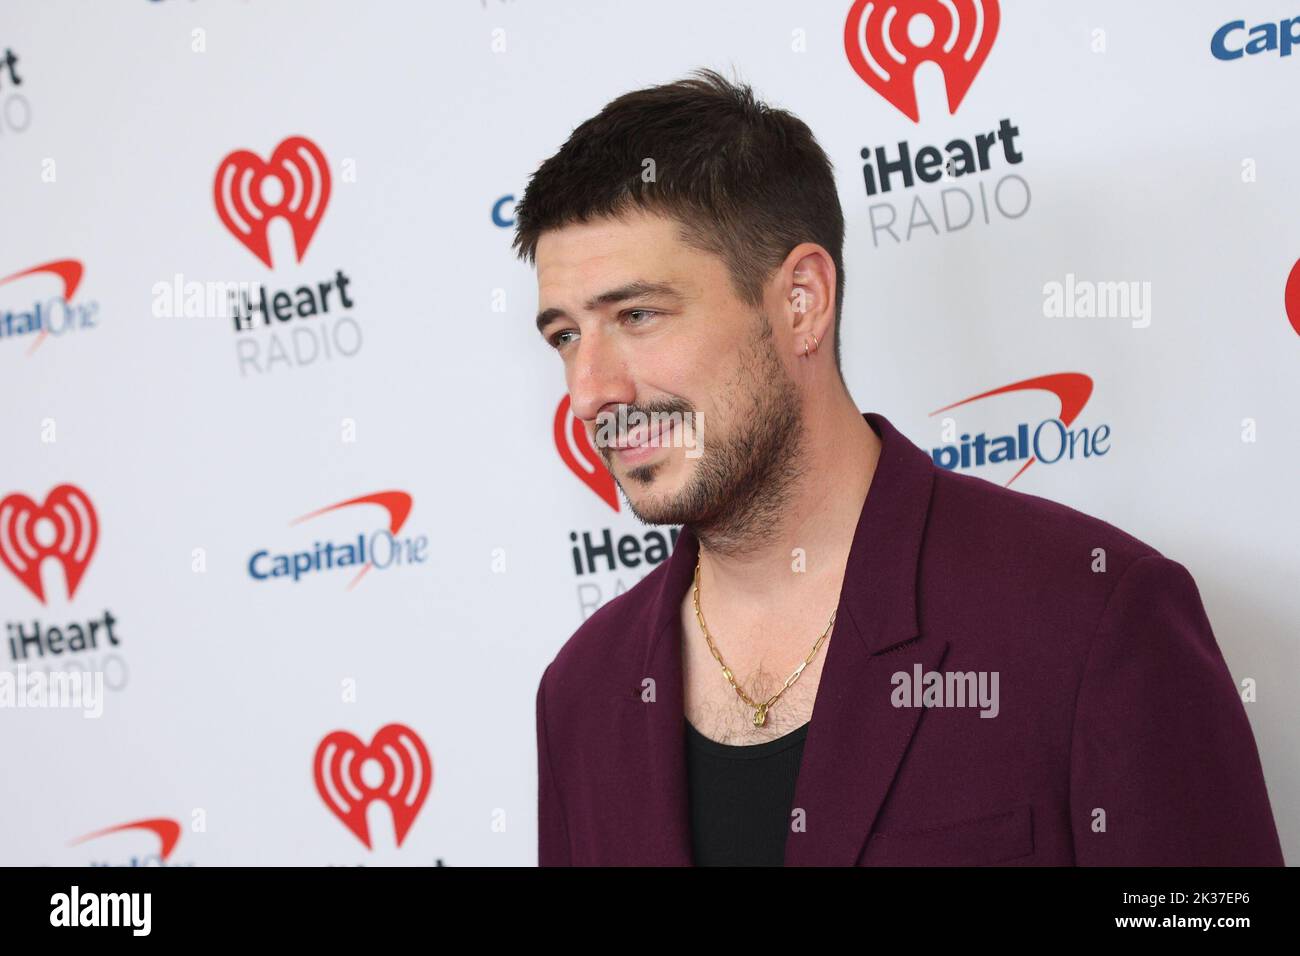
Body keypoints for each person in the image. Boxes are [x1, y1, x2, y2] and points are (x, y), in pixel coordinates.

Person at [515, 68, 1285, 866]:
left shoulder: (1090, 619)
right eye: (566, 335)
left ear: (801, 300)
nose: (591, 391)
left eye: (637, 315)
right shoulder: (582, 694)